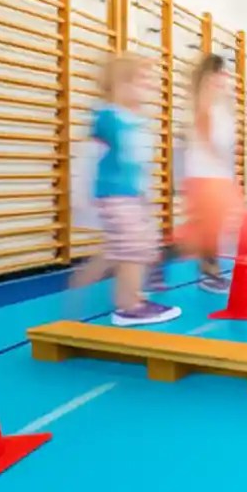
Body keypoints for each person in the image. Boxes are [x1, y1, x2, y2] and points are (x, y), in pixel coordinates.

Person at [82, 53, 181, 326]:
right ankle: (128, 306)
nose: (148, 85)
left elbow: (135, 162)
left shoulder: (131, 119)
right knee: (132, 248)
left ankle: (131, 294)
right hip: (115, 195)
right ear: (121, 85)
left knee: (140, 244)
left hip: (131, 195)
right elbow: (96, 154)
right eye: (141, 79)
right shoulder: (109, 117)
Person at [179, 53, 241, 294]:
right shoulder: (204, 104)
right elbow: (204, 133)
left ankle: (203, 267)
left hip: (218, 177)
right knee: (208, 229)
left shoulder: (221, 107)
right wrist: (216, 157)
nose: (222, 79)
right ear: (207, 79)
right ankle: (209, 273)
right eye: (217, 75)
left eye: (224, 74)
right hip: (204, 177)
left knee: (213, 227)